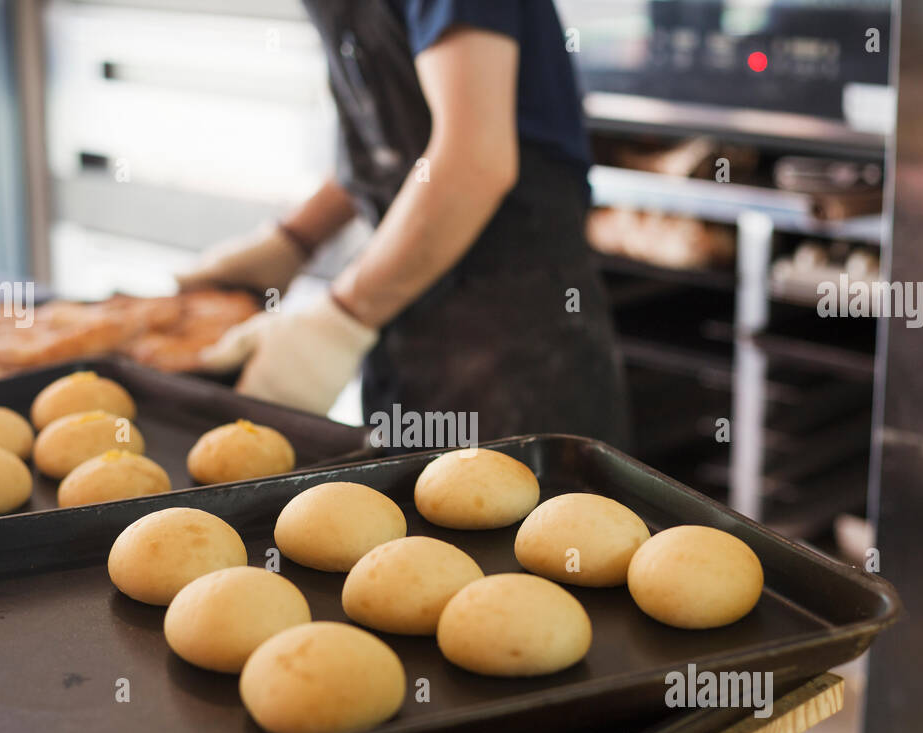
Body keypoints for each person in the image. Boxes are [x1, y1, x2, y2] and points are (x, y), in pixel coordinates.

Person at [178, 0, 630, 449]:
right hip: (405, 329)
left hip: (517, 350)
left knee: (511, 509)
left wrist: (339, 320)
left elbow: (474, 161)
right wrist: (294, 240)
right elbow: (396, 142)